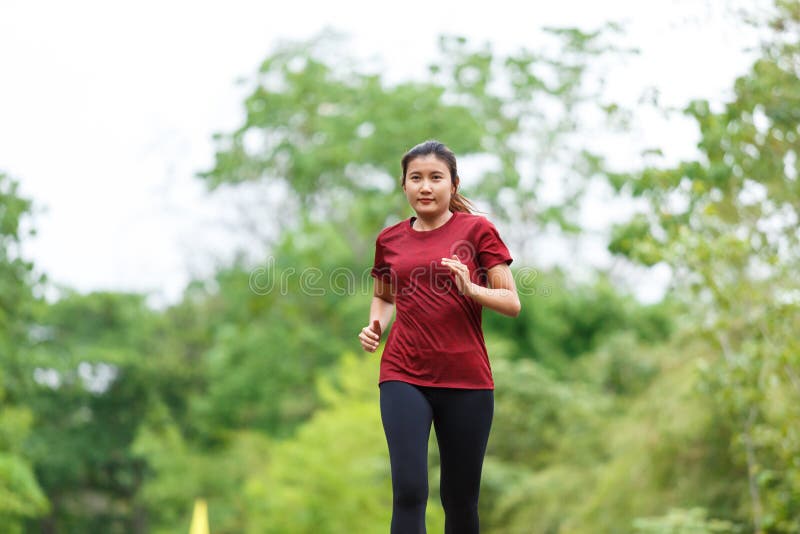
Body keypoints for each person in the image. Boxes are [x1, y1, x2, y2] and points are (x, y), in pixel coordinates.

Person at [358, 140, 521, 533]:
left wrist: (472, 289)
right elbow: (384, 296)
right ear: (404, 186)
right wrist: (376, 325)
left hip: (466, 379)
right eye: (416, 178)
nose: (425, 186)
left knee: (460, 500)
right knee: (409, 492)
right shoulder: (390, 240)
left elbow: (511, 301)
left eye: (435, 177)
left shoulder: (478, 231)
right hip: (403, 374)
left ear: (454, 184)